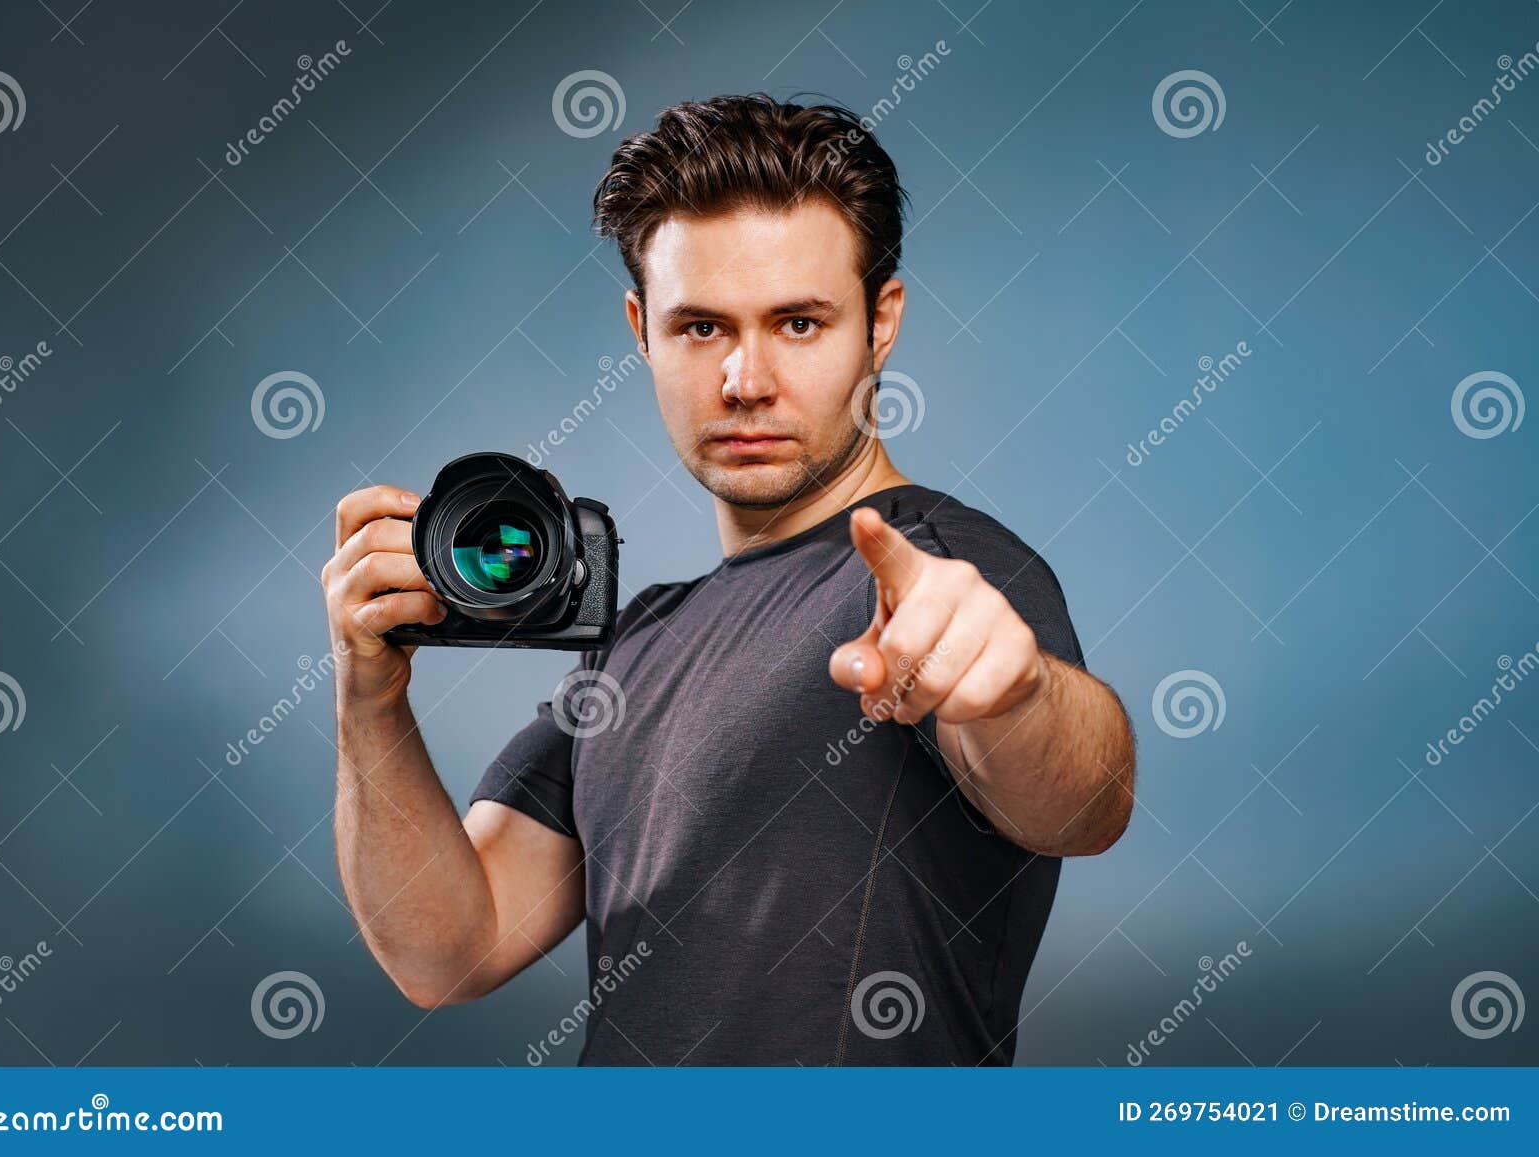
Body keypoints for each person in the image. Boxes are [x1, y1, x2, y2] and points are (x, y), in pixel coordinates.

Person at [322, 94, 1135, 1065]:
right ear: (641, 329)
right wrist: (368, 698)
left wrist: (1020, 694)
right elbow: (448, 948)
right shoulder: (635, 640)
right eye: (702, 327)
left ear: (881, 324)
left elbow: (1082, 802)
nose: (745, 379)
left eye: (797, 322)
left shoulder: (942, 573)